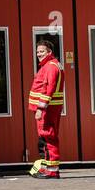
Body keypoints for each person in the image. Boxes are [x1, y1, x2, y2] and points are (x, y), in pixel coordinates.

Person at [27, 38, 65, 179]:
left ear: (49, 52)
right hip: (51, 108)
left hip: (47, 110)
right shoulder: (54, 65)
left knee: (48, 137)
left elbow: (48, 89)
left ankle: (52, 170)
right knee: (45, 138)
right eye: (37, 52)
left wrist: (40, 109)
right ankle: (45, 168)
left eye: (42, 51)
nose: (39, 54)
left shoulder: (50, 66)